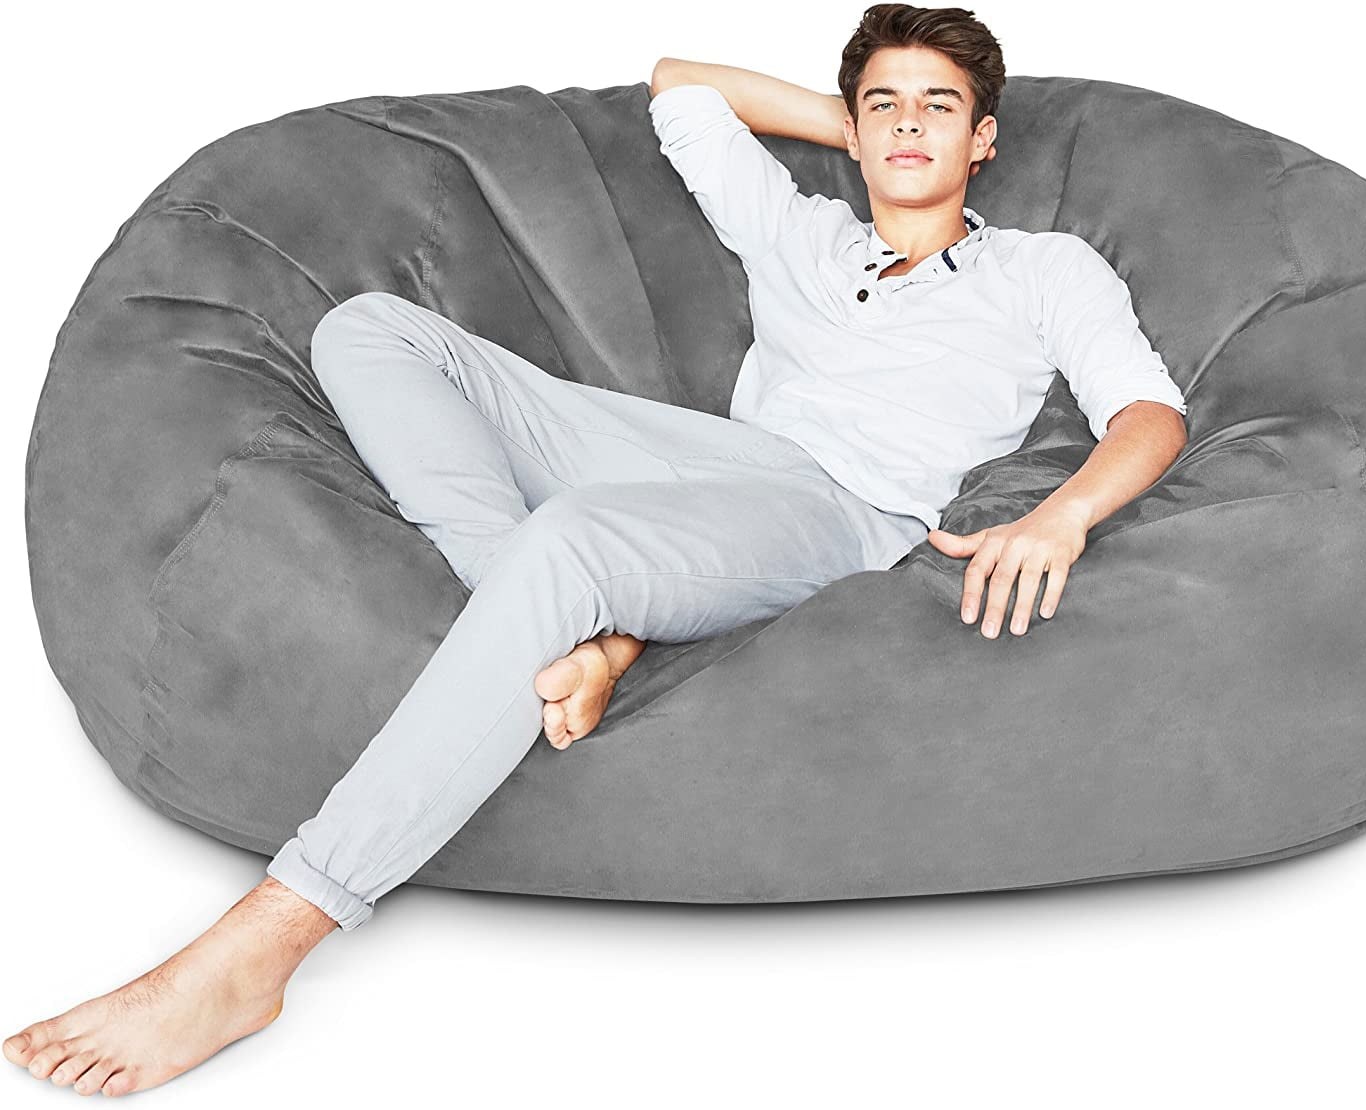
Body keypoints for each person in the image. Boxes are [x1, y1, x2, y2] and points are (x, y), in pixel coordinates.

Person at [4, 3, 1187, 1097]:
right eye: (887, 104)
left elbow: (1149, 411)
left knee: (571, 539)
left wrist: (1062, 514)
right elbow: (678, 84)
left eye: (939, 107)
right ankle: (575, 624)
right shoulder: (805, 233)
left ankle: (269, 937)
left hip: (845, 514)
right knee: (372, 331)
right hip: (705, 462)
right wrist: (853, 124)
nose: (909, 124)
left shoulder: (1041, 269)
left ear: (985, 139)